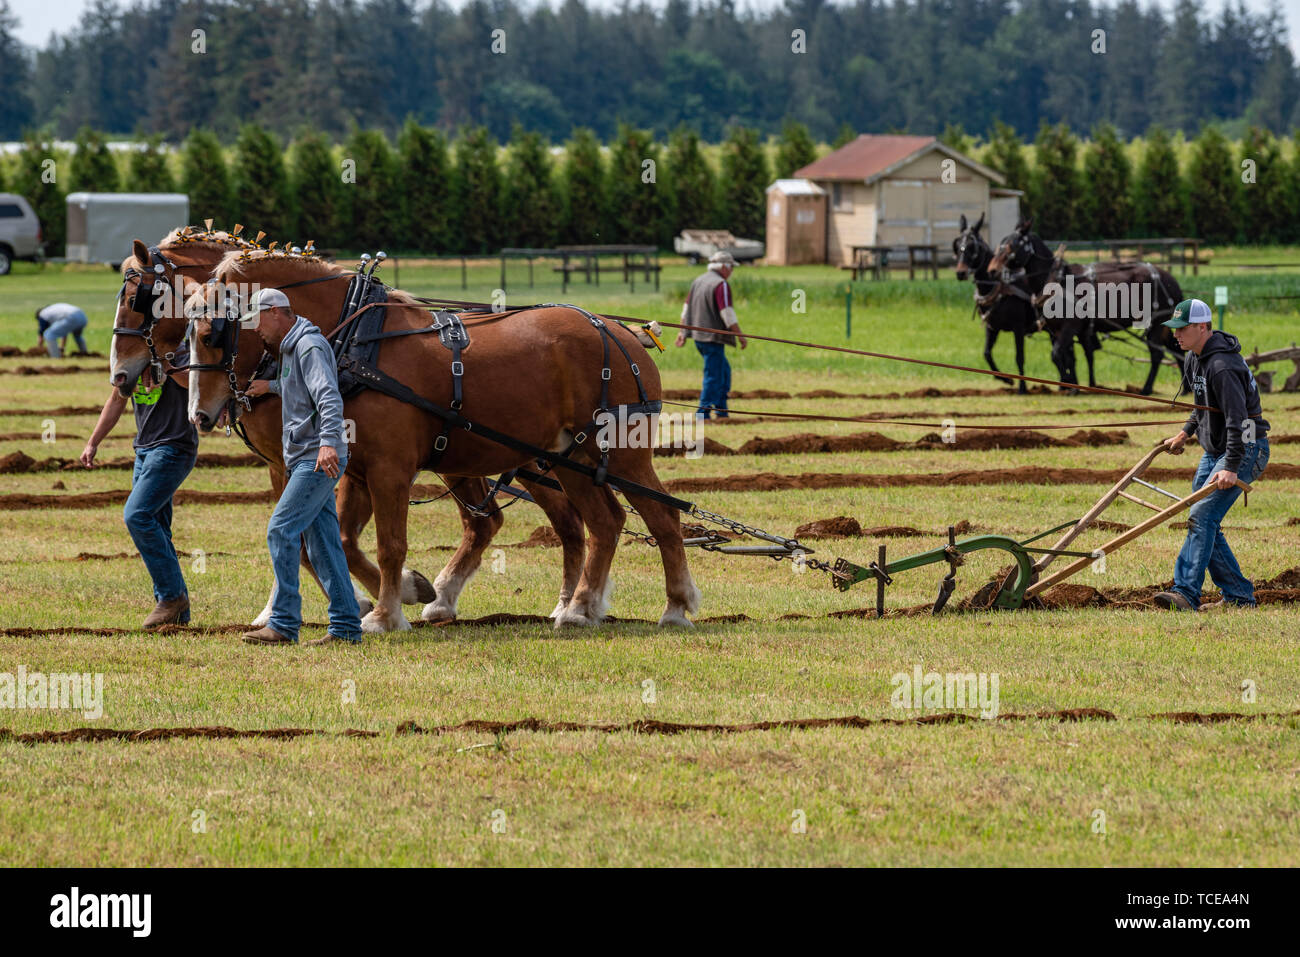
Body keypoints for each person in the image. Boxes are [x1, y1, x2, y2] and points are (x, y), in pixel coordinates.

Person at [238, 288, 362, 647]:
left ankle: (284, 622)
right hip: (306, 455)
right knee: (324, 544)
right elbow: (303, 386)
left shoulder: (307, 345)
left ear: (276, 312)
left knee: (280, 529)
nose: (256, 329)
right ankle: (346, 628)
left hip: (316, 457)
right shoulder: (292, 348)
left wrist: (327, 443)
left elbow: (327, 394)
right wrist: (272, 385)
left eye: (258, 320)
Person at [1154, 298, 1270, 612]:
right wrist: (1185, 432)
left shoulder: (1223, 366)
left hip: (1245, 447)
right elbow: (1203, 405)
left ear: (1203, 327)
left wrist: (1232, 465)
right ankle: (1239, 597)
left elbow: (1241, 419)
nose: (1175, 335)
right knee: (1204, 519)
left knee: (1201, 516)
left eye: (1182, 329)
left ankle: (1186, 593)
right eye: (1174, 329)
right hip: (1218, 448)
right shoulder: (1195, 357)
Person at [80, 344, 199, 629]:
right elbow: (116, 401)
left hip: (173, 447)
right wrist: (93, 442)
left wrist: (165, 366)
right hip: (144, 450)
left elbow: (194, 382)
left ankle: (171, 597)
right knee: (157, 524)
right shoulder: (132, 360)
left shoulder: (181, 354)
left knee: (137, 515)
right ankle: (176, 611)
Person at [674, 250, 748, 418]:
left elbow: (686, 309)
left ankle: (722, 410)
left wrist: (682, 332)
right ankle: (703, 413)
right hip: (712, 339)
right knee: (713, 377)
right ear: (724, 266)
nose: (731, 272)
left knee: (723, 372)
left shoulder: (698, 281)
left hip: (699, 338)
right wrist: (740, 336)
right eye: (731, 268)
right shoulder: (720, 284)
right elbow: (727, 314)